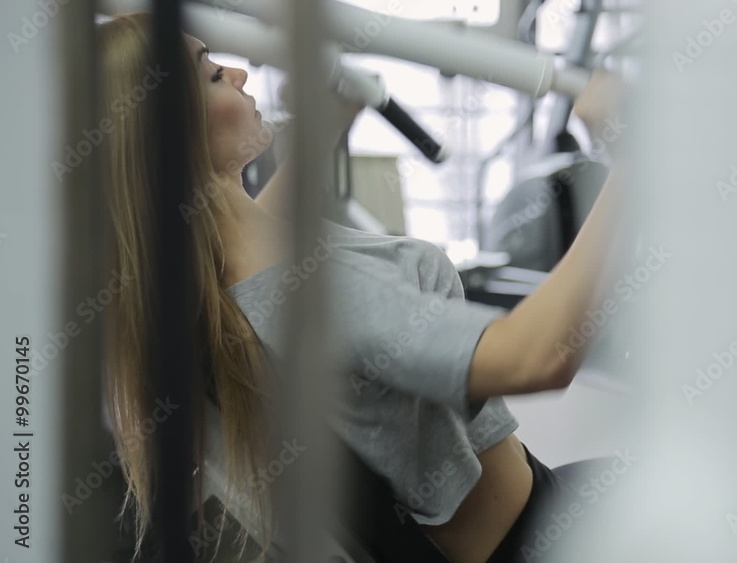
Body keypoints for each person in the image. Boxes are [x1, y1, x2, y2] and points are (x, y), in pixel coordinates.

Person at [97, 12, 627, 563]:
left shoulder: (215, 289)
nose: (240, 74)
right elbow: (538, 356)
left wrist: (329, 120)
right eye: (211, 75)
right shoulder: (315, 296)